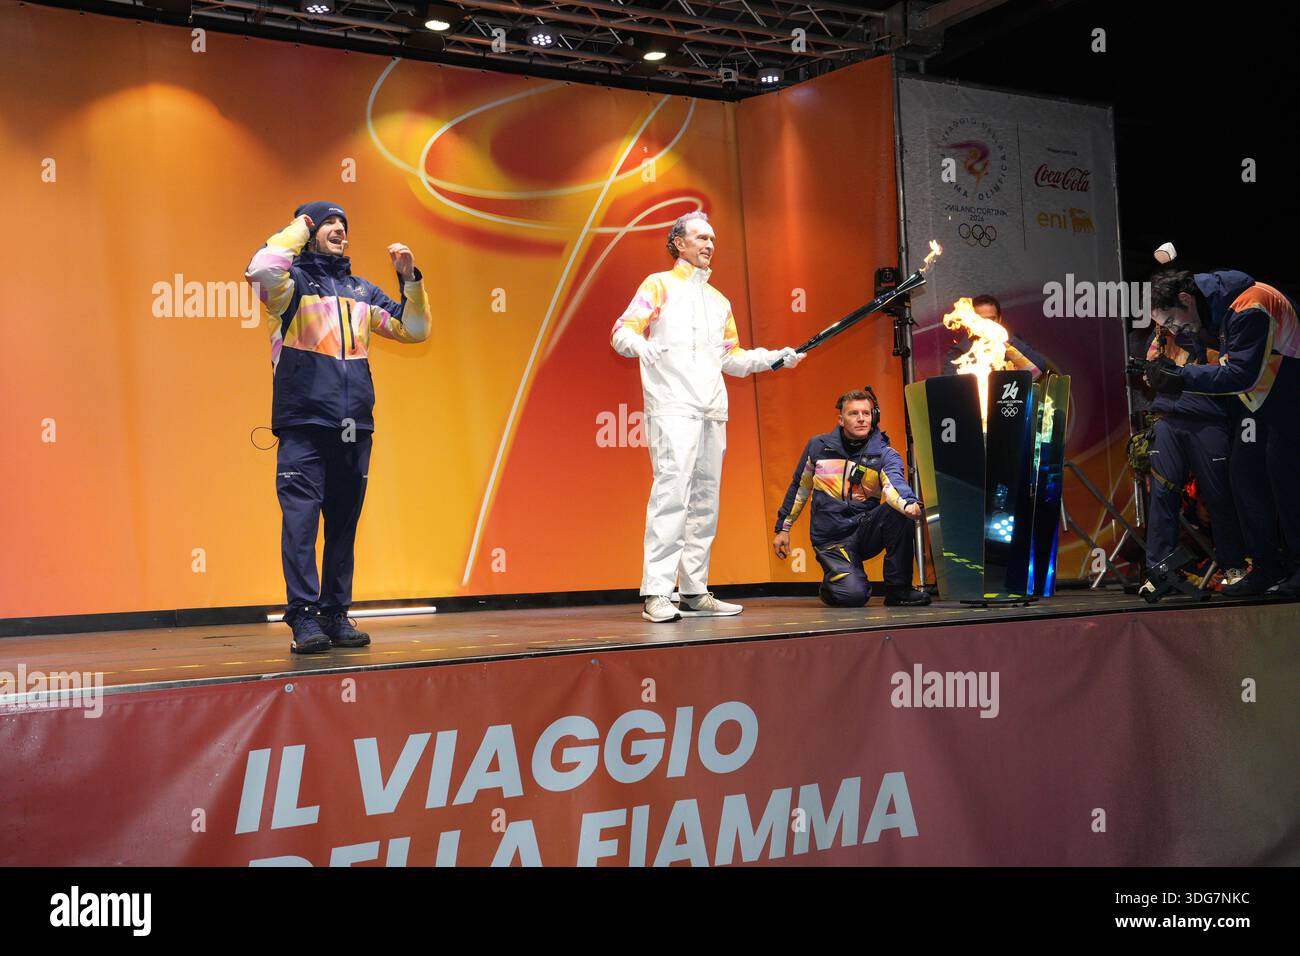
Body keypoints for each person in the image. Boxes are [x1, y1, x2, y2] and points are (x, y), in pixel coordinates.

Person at [245, 202, 431, 653]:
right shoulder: (289, 287)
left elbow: (415, 329)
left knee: (343, 527)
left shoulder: (362, 291)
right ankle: (302, 616)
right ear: (308, 231)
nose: (339, 230)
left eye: (343, 224)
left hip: (354, 429)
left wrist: (411, 281)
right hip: (304, 424)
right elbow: (260, 269)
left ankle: (334, 613)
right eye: (328, 222)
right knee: (301, 525)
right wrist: (300, 226)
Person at [610, 212, 803, 623]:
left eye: (712, 239)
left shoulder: (719, 302)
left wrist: (773, 359)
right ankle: (657, 592)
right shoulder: (658, 285)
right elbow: (622, 330)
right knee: (671, 497)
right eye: (700, 238)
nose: (709, 245)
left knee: (705, 503)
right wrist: (639, 345)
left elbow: (731, 357)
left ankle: (694, 590)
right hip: (672, 405)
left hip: (712, 409)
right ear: (679, 243)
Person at [1144, 268, 1300, 596]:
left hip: (1288, 395)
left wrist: (1181, 376)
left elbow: (1241, 374)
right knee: (1244, 478)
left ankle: (1293, 568)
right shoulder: (1215, 312)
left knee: (1285, 480)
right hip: (1260, 400)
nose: (1173, 330)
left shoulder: (1250, 305)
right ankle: (1267, 568)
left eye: (1171, 321)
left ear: (1185, 299)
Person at [772, 387, 931, 607]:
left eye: (866, 413)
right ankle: (834, 584)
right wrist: (783, 528)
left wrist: (909, 504)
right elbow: (800, 488)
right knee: (854, 596)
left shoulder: (885, 453)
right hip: (832, 538)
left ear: (873, 417)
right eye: (854, 413)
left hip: (864, 531)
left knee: (898, 512)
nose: (861, 419)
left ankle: (898, 590)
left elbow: (895, 485)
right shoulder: (818, 447)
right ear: (841, 420)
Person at [1138, 313, 1247, 596]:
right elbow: (1149, 376)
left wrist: (1186, 357)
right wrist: (1155, 370)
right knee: (1162, 495)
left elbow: (1229, 372)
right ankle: (1159, 571)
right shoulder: (1160, 334)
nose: (1159, 320)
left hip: (1208, 420)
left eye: (1163, 312)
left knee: (1219, 495)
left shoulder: (1213, 326)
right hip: (1167, 419)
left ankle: (1234, 567)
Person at [944, 294, 1052, 379]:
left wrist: (1006, 341)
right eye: (981, 319)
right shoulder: (959, 352)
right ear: (972, 321)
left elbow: (1040, 367)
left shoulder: (1011, 343)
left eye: (991, 319)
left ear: (999, 319)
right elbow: (949, 386)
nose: (987, 324)